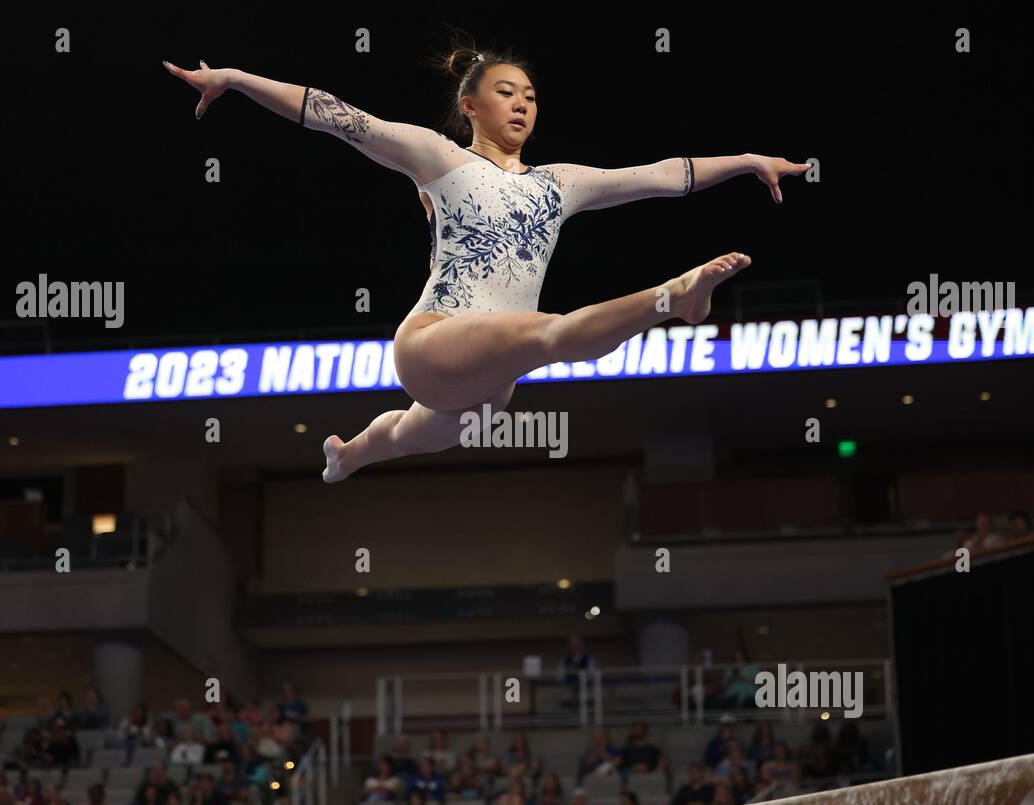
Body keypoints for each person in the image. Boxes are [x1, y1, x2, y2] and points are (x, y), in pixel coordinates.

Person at [163, 41, 805, 484]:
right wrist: (236, 79)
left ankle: (348, 457)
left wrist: (749, 160)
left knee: (411, 437)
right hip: (435, 342)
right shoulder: (439, 157)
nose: (523, 104)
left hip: (492, 383)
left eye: (530, 94)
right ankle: (676, 297)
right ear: (471, 105)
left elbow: (664, 176)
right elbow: (332, 114)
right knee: (552, 334)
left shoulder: (560, 183)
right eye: (506, 92)